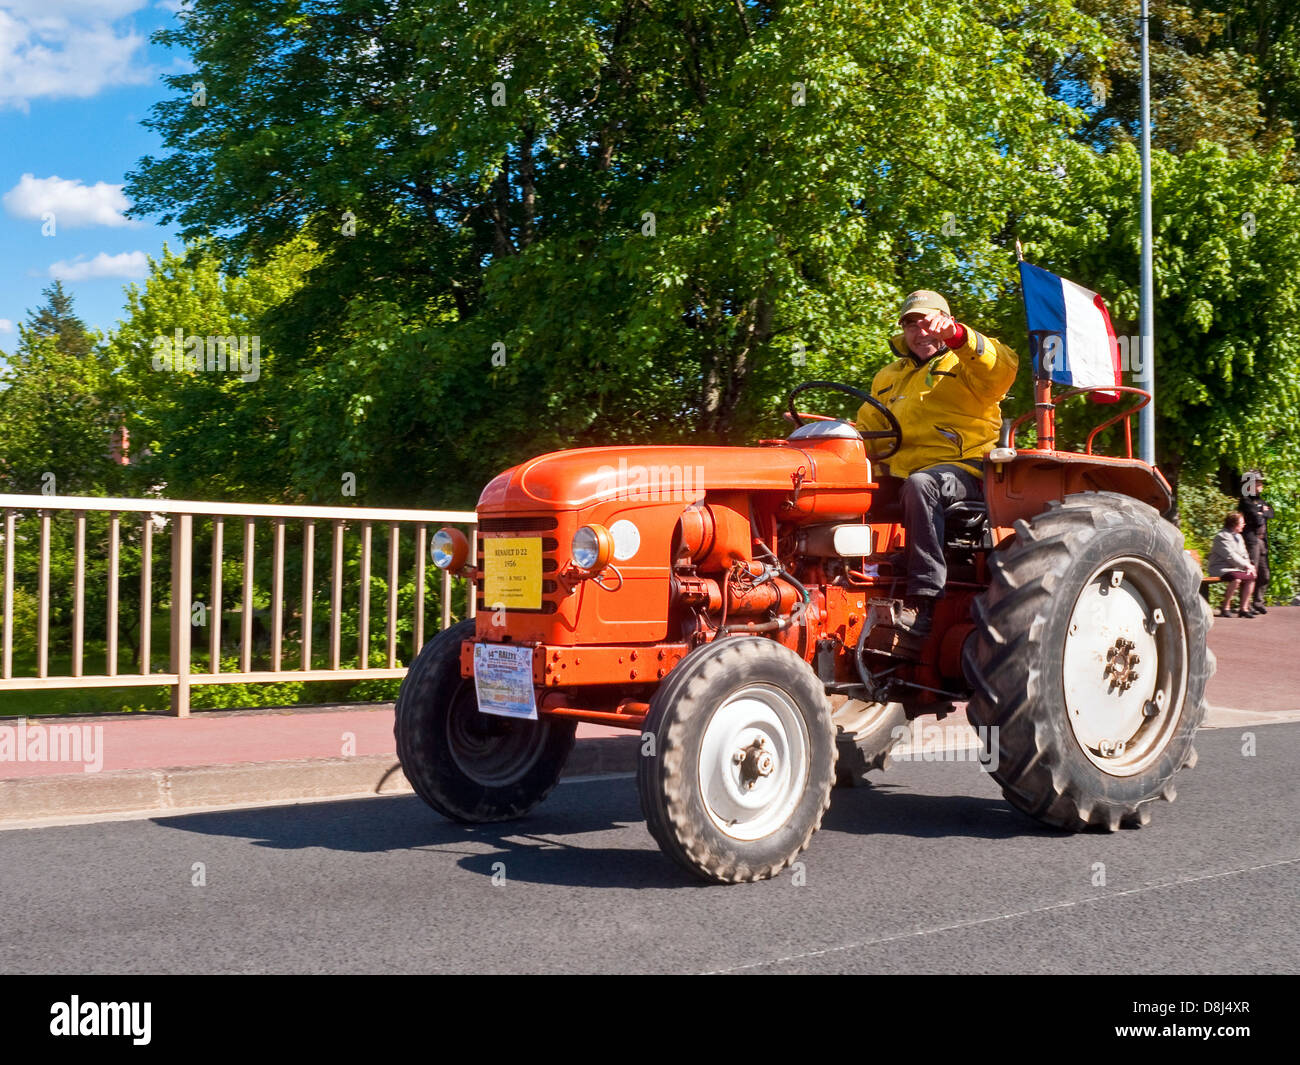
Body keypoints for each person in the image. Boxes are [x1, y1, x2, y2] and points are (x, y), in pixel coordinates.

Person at [855, 290, 1018, 649]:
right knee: (847, 492)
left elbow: (1003, 367)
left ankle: (923, 599)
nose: (920, 330)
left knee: (921, 485)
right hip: (901, 473)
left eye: (928, 321)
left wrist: (959, 336)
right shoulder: (888, 376)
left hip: (966, 472)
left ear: (945, 322)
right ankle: (850, 581)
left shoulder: (967, 364)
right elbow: (869, 432)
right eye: (911, 323)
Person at [1206, 511, 1257, 618]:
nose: (1244, 525)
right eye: (1242, 522)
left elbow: (1244, 554)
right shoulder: (1221, 537)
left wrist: (1249, 566)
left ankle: (1244, 608)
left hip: (1235, 568)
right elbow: (1230, 555)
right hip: (1220, 568)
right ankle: (1225, 607)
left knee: (1252, 576)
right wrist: (1245, 566)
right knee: (1236, 578)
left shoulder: (1239, 537)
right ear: (1234, 524)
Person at [1238, 471, 1274, 614]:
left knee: (1265, 574)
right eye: (1258, 483)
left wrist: (1262, 512)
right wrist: (1261, 513)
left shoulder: (1260, 501)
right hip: (1252, 541)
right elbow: (1256, 518)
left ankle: (1258, 601)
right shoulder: (1245, 501)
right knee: (1251, 573)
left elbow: (1271, 513)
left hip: (1262, 541)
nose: (1261, 485)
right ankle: (1246, 604)